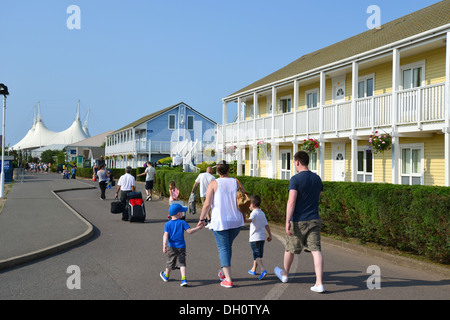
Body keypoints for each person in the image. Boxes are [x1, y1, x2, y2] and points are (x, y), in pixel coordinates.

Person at [274, 151, 325, 293]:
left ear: (297, 162)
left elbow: (291, 202)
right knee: (316, 250)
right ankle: (319, 283)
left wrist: (287, 221)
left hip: (298, 220)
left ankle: (285, 274)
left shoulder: (295, 179)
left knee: (290, 248)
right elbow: (318, 197)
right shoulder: (317, 179)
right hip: (314, 218)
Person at [197, 160, 245, 288]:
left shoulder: (214, 183)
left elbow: (207, 204)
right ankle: (224, 273)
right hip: (236, 221)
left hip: (221, 221)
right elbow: (243, 199)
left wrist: (201, 219)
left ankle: (228, 279)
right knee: (227, 247)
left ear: (217, 171)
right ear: (228, 170)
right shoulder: (236, 182)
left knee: (223, 248)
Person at [160, 203, 202, 287]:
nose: (183, 213)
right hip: (181, 247)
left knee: (170, 261)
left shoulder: (167, 224)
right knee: (182, 263)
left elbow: (165, 235)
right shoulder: (182, 222)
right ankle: (183, 279)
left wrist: (164, 245)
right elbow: (189, 231)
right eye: (182, 211)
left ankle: (166, 276)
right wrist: (199, 228)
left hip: (171, 246)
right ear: (178, 213)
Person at [246, 195, 272, 280]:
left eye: (248, 204)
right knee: (258, 255)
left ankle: (263, 269)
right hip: (262, 238)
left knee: (257, 256)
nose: (248, 206)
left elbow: (250, 220)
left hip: (254, 238)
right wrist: (270, 235)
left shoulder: (254, 213)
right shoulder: (262, 213)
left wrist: (243, 218)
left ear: (252, 205)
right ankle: (253, 269)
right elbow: (266, 225)